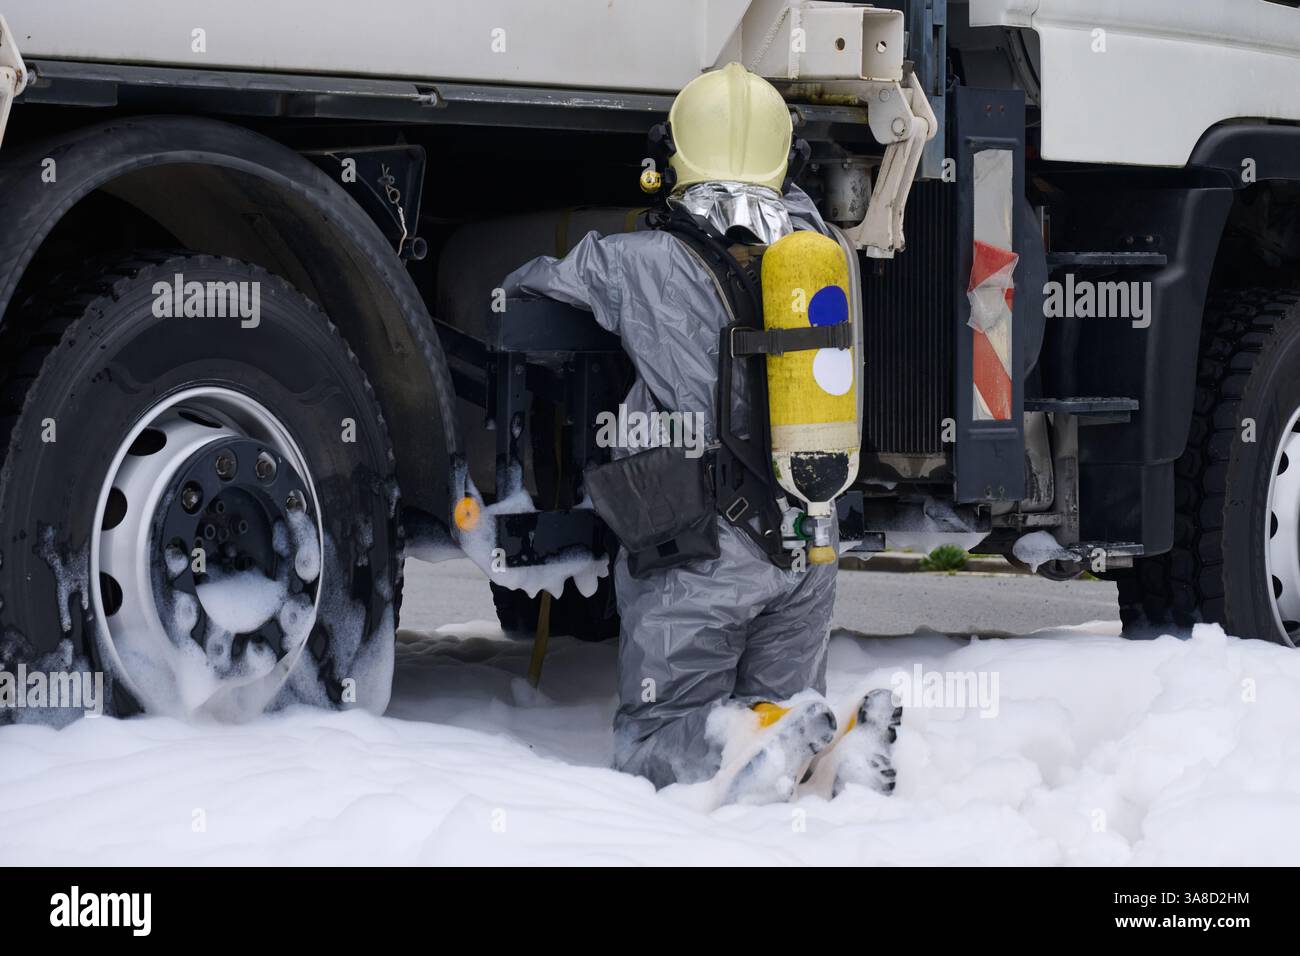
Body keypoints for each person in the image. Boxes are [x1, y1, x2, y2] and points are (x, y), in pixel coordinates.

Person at [504, 63, 899, 804]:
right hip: (808, 545)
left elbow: (526, 288)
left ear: (677, 156)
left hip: (700, 555)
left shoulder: (634, 262)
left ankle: (759, 747)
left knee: (660, 732)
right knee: (786, 712)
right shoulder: (827, 257)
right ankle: (831, 748)